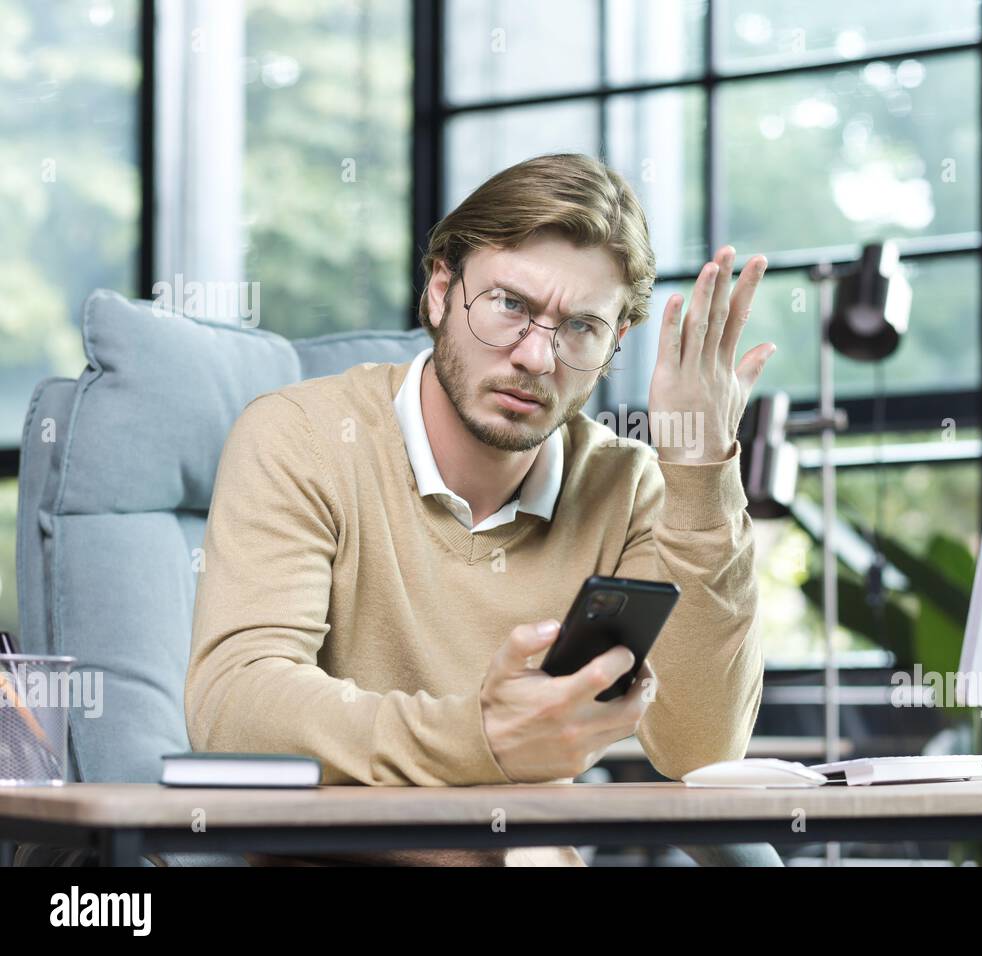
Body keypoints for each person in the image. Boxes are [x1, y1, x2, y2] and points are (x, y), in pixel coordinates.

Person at [185, 152, 778, 866]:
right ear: (441, 291)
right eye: (511, 306)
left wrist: (700, 472)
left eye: (581, 328)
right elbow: (234, 706)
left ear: (615, 344)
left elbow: (700, 751)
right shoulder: (301, 438)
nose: (537, 356)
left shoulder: (629, 488)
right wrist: (482, 735)